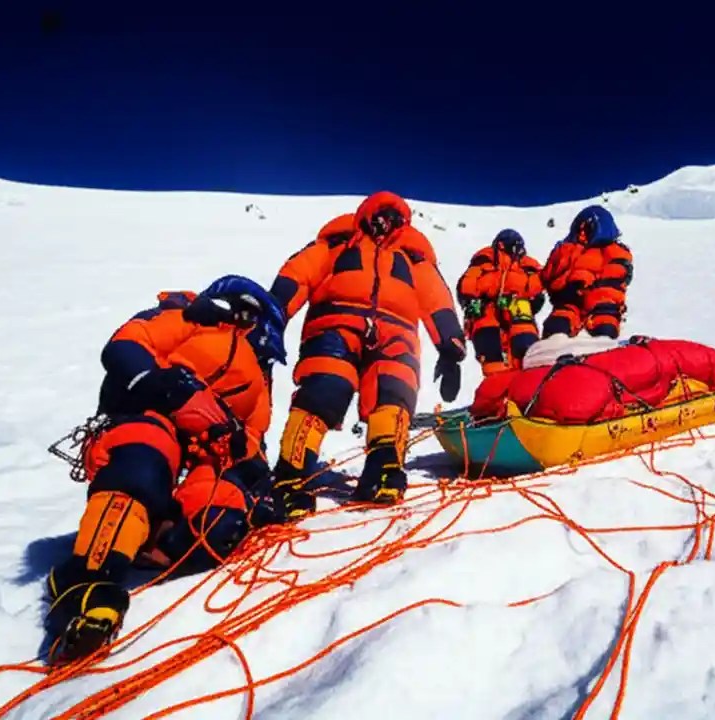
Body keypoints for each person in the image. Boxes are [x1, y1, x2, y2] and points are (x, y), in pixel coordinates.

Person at [43, 275, 287, 663]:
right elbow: (126, 346)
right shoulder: (188, 317)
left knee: (218, 521)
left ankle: (150, 537)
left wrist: (255, 482)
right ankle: (89, 580)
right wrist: (167, 387)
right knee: (145, 458)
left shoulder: (258, 384)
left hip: (204, 454)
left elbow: (252, 441)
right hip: (147, 420)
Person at [268, 192, 467, 519]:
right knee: (325, 388)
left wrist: (450, 346)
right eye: (379, 215)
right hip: (336, 322)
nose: (384, 223)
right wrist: (273, 314)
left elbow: (437, 300)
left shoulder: (413, 257)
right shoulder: (337, 244)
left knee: (394, 392)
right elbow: (298, 274)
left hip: (396, 333)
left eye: (393, 217)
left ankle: (384, 467)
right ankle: (290, 475)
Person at [456, 229, 545, 375]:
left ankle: (527, 370)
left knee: (525, 343)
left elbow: (537, 288)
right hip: (487, 308)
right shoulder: (483, 261)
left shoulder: (528, 266)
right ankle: (496, 376)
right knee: (488, 339)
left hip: (515, 308)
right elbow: (468, 282)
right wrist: (471, 301)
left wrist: (531, 300)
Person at [540, 205, 633, 339]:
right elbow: (621, 273)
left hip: (576, 302)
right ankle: (605, 339)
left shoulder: (571, 250)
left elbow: (549, 276)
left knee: (559, 324)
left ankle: (555, 340)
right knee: (604, 322)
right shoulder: (616, 250)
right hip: (601, 303)